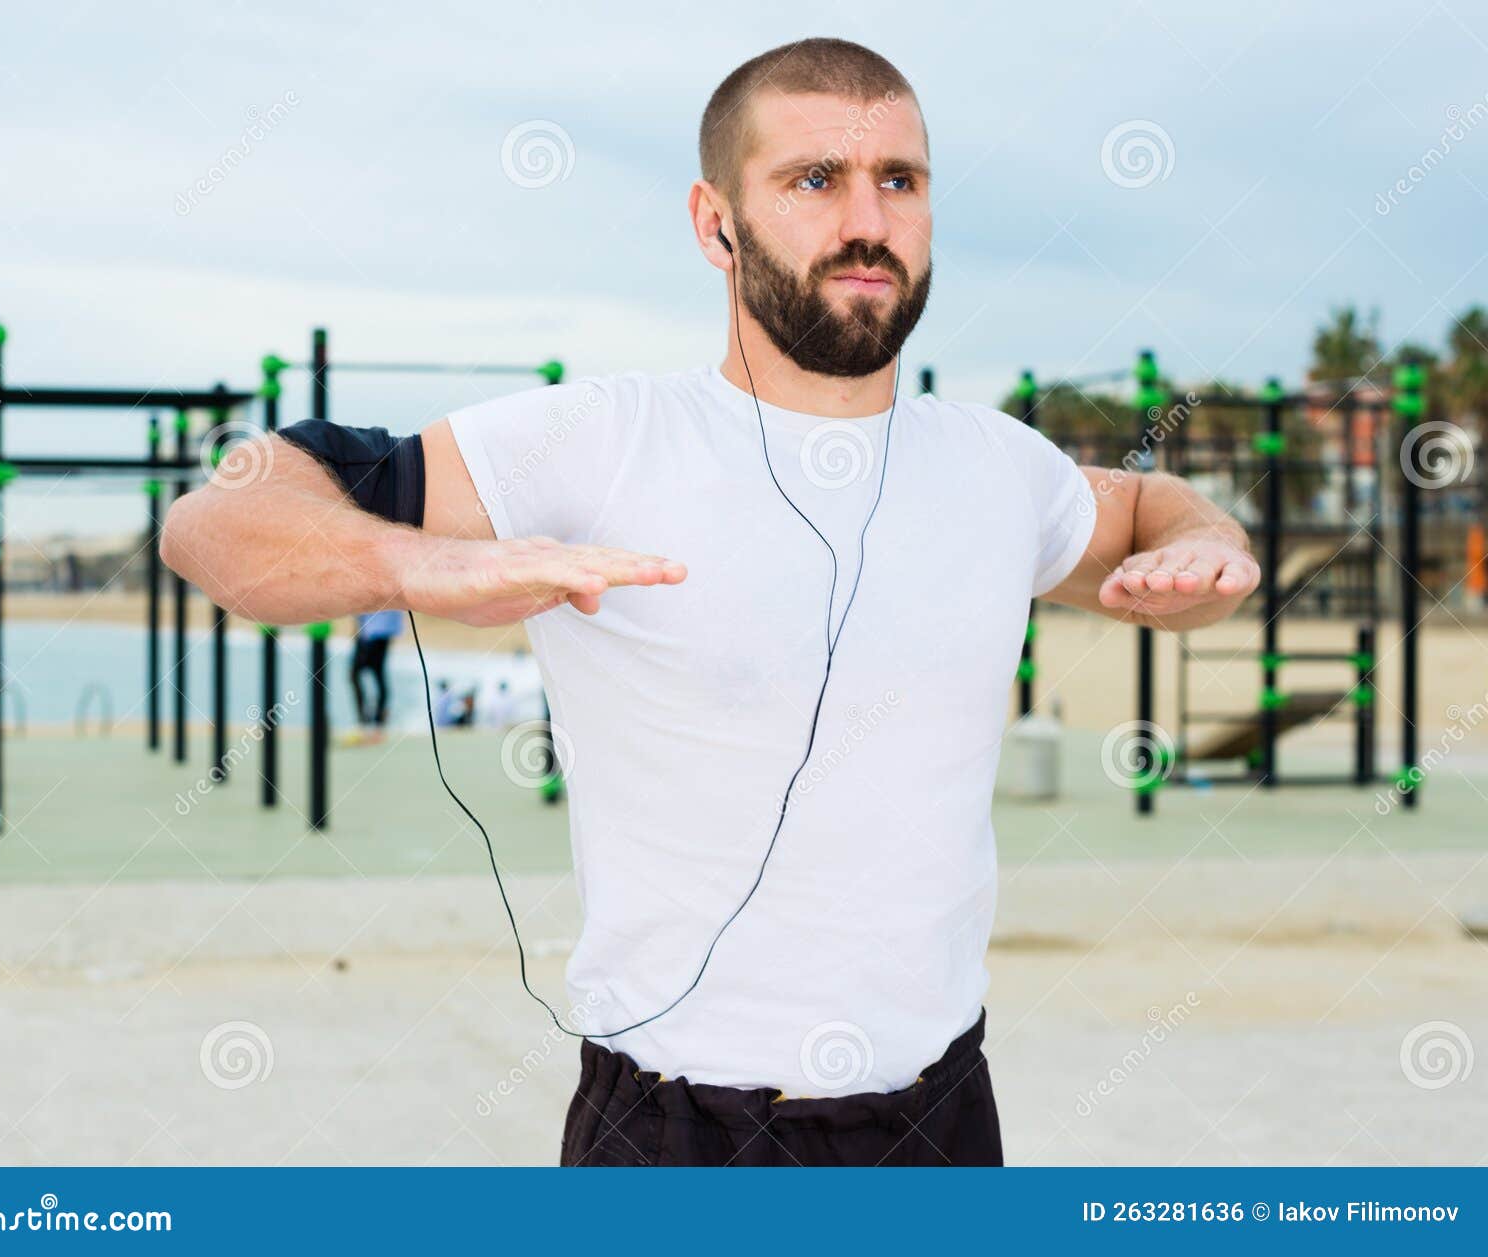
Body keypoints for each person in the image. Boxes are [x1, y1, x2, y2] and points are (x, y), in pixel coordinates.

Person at [161, 37, 1259, 1167]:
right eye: (813, 180)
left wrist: (1207, 545)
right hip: (678, 1133)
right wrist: (411, 564)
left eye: (900, 180)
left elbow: (1146, 512)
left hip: (939, 1120)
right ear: (714, 222)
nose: (866, 220)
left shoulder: (998, 465)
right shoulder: (592, 441)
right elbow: (217, 520)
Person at [347, 609, 402, 744]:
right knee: (374, 675)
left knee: (359, 675)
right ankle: (372, 722)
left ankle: (368, 722)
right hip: (377, 631)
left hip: (373, 632)